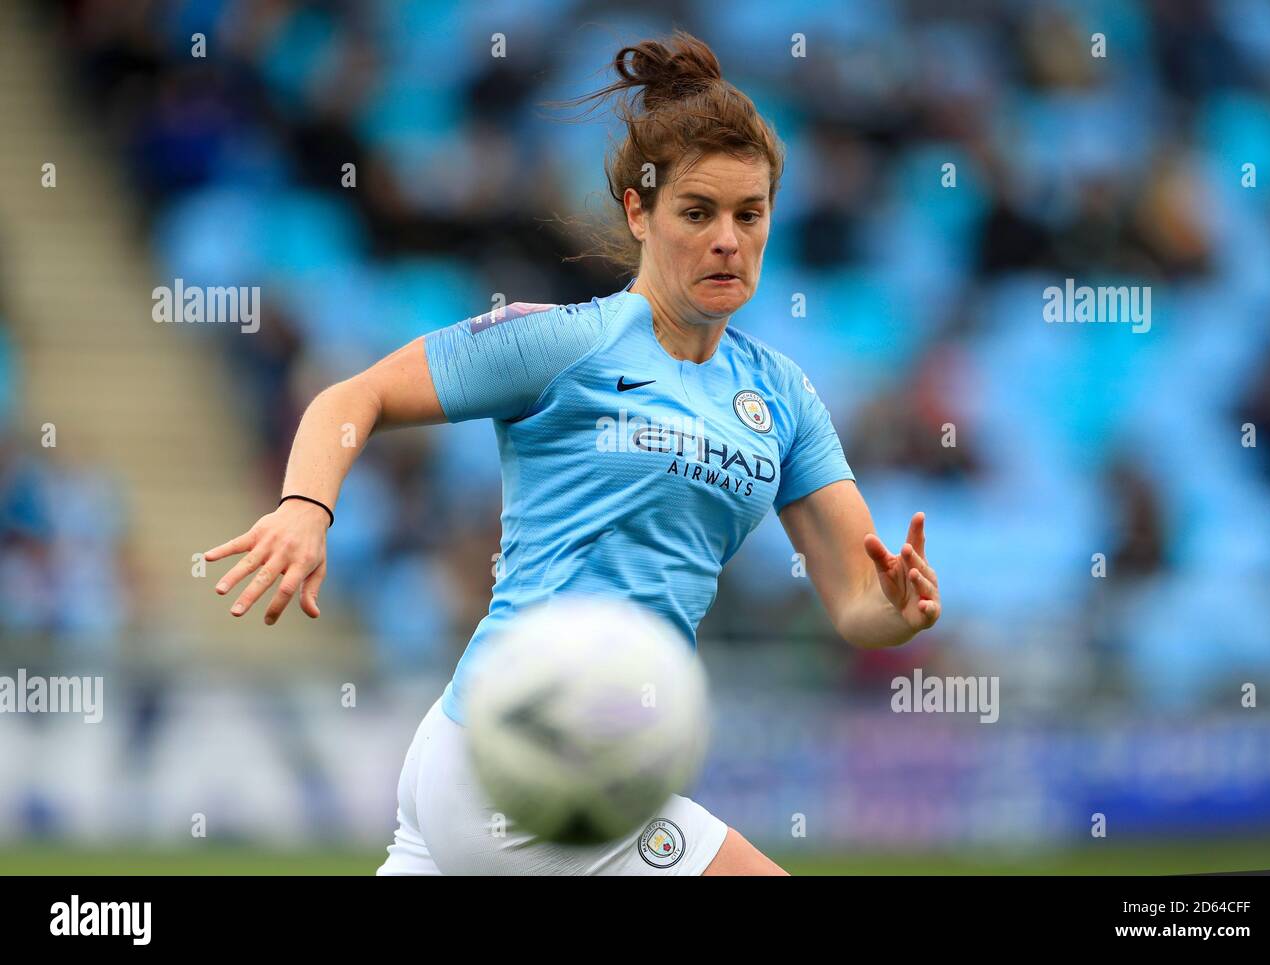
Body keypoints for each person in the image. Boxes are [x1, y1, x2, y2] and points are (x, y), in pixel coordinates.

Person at [203, 30, 941, 876]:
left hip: (516, 759)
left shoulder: (784, 399)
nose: (728, 239)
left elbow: (856, 602)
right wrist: (306, 509)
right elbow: (351, 396)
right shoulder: (561, 344)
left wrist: (899, 611)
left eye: (750, 213)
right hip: (530, 752)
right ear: (639, 212)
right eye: (697, 212)